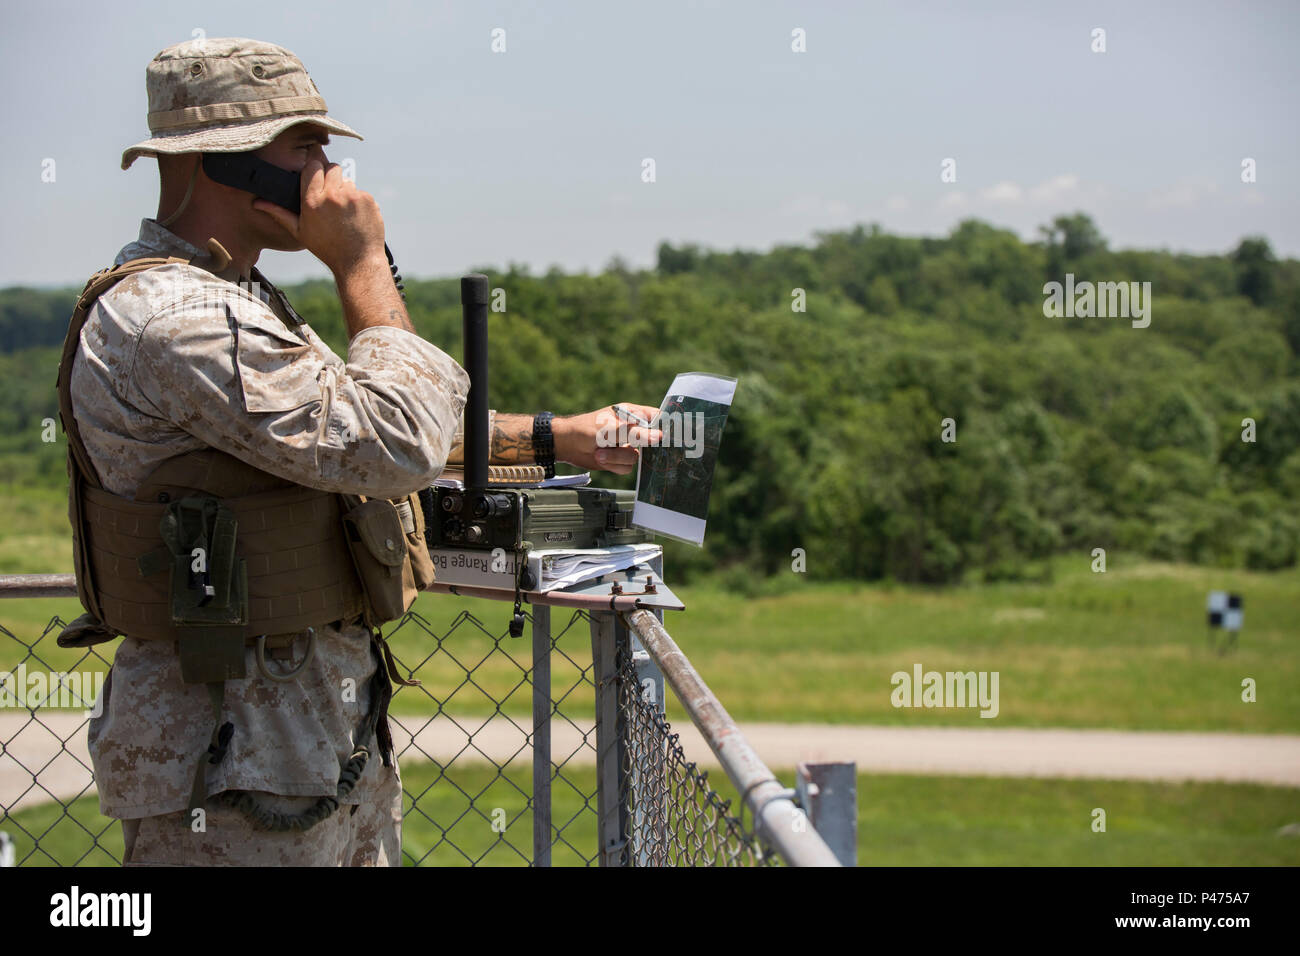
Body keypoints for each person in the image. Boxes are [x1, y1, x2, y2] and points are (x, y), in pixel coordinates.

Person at [60, 36, 660, 866]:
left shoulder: (234, 298)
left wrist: (561, 436)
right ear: (222, 161)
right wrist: (362, 261)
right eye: (302, 144)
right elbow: (391, 443)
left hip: (309, 734)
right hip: (234, 755)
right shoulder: (173, 319)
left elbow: (350, 432)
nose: (330, 168)